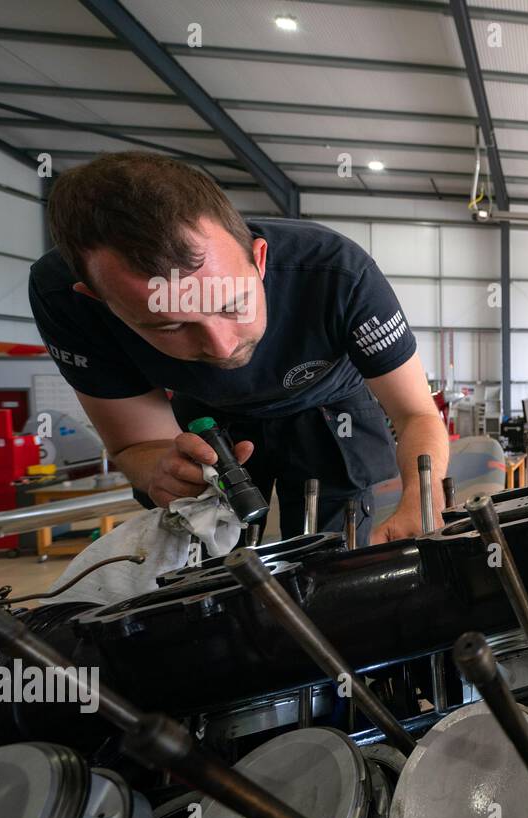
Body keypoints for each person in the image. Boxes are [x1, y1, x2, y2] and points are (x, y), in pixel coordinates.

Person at [28, 151, 448, 545]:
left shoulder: (337, 273)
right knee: (208, 546)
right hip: (207, 421)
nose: (222, 346)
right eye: (171, 325)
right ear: (100, 300)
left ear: (258, 259)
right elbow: (135, 446)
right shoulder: (65, 300)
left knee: (334, 550)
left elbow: (416, 413)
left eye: (232, 305)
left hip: (329, 407)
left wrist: (422, 501)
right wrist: (161, 468)